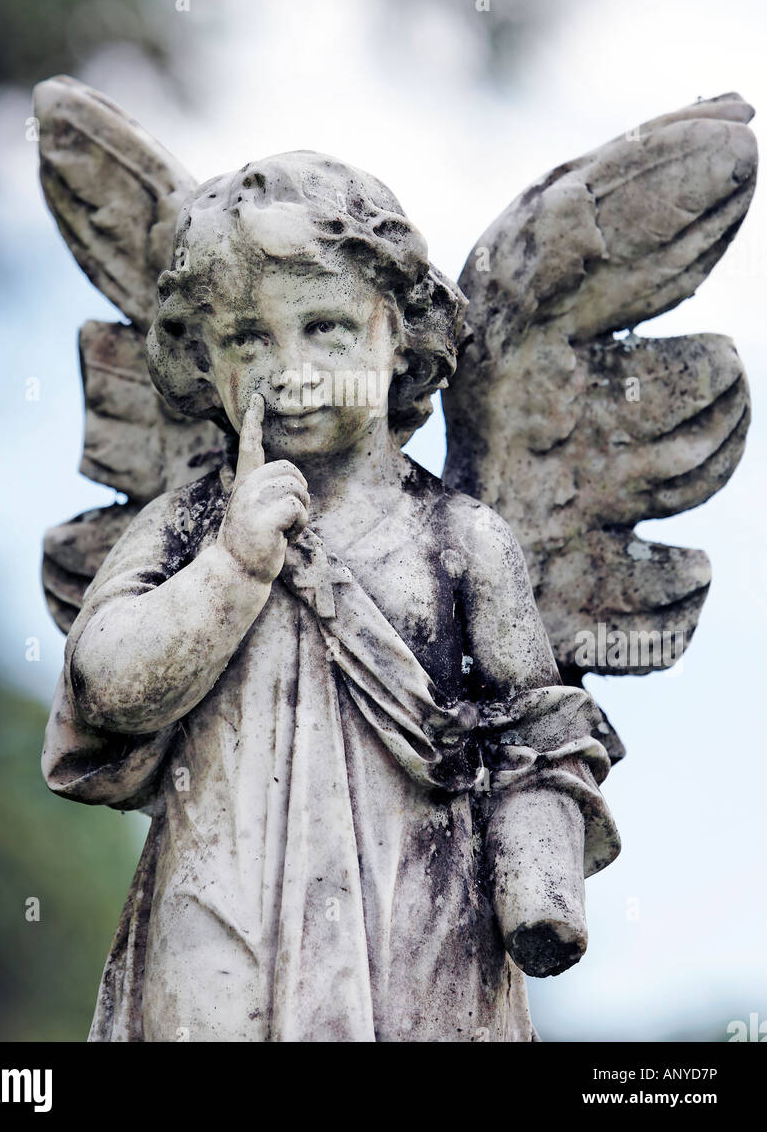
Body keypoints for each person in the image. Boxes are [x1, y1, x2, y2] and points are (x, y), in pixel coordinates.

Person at [42, 151, 619, 1042]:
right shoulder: (190, 527)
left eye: (326, 329)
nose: (291, 367)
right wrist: (232, 567)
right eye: (247, 340)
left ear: (402, 336)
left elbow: (536, 736)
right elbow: (104, 688)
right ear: (203, 361)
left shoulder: (459, 537)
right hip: (217, 907)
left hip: (418, 912)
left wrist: (538, 886)